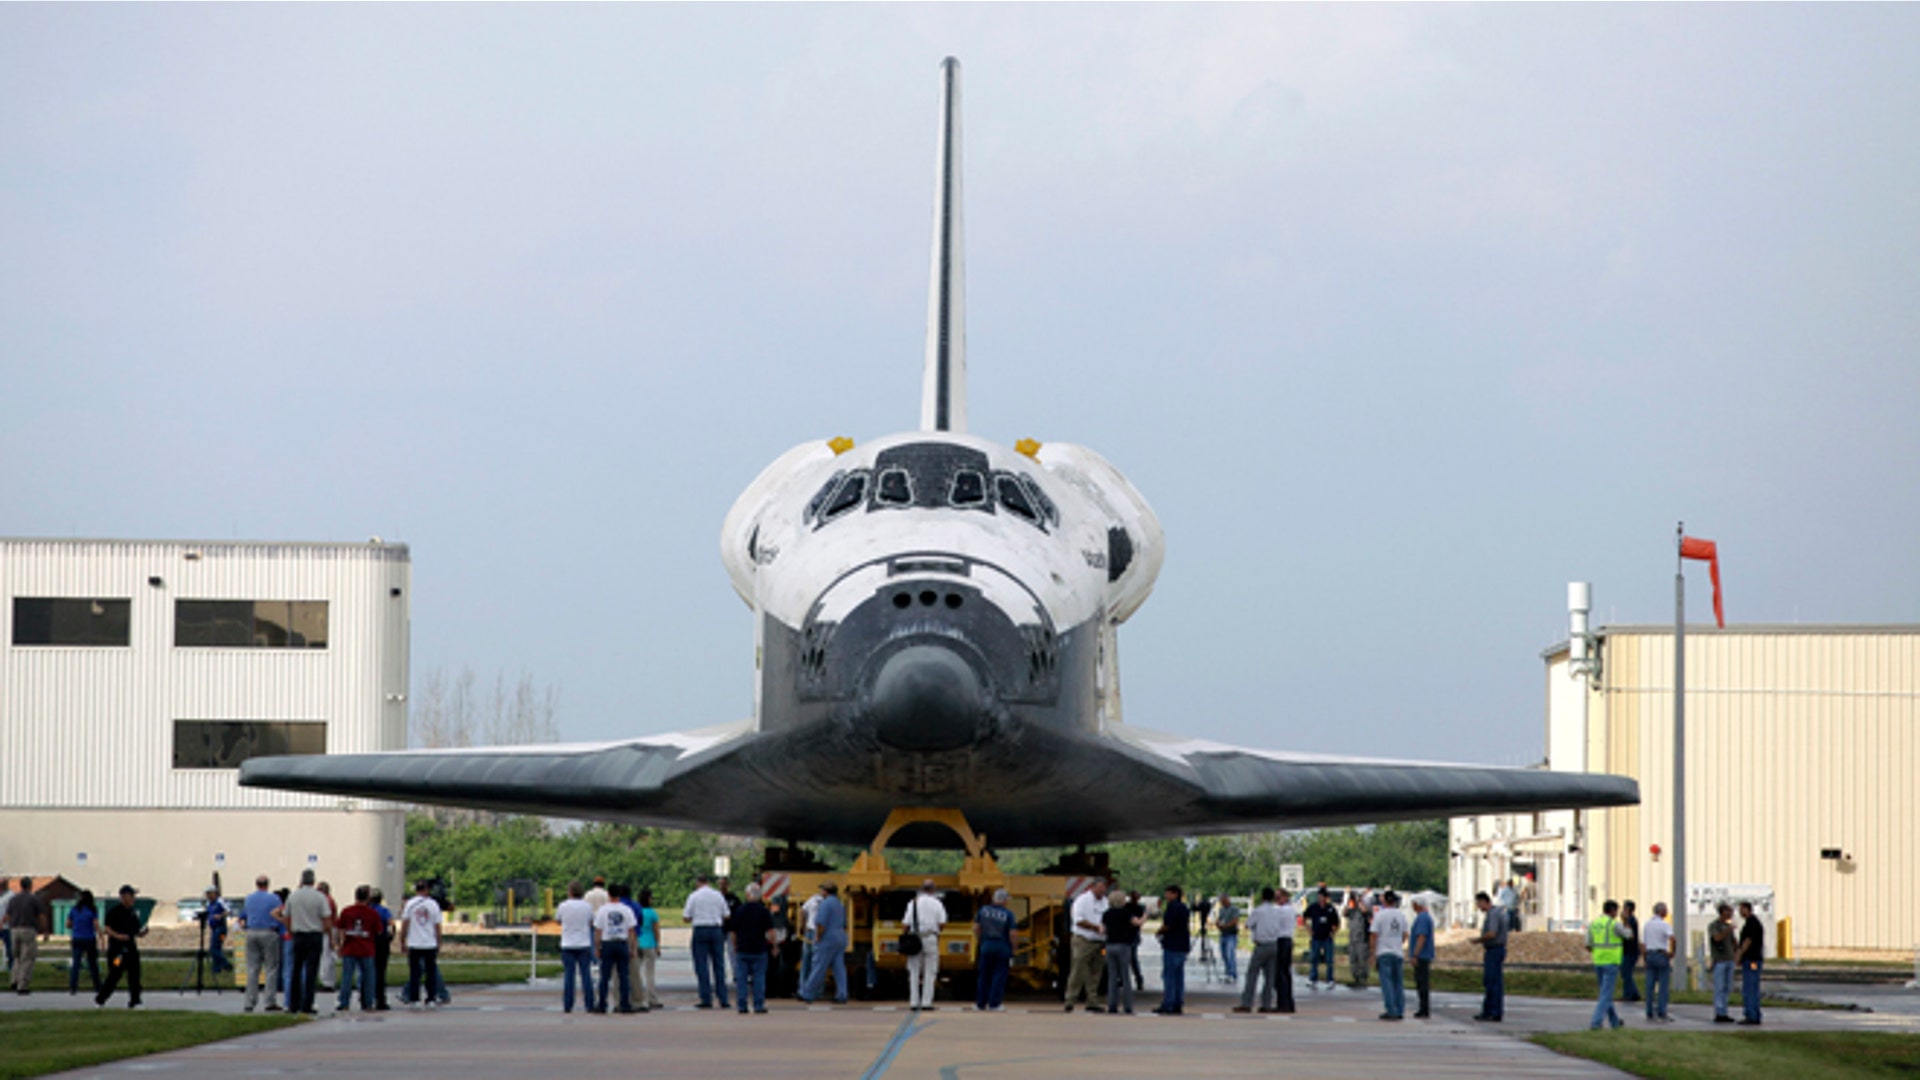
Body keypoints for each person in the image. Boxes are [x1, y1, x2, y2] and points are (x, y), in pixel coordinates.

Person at [284, 869, 332, 1015]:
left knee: (296, 970)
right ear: (313, 880)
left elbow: (286, 916)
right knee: (311, 972)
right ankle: (307, 1004)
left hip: (298, 935)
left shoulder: (293, 896)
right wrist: (326, 932)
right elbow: (326, 918)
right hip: (314, 935)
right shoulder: (320, 897)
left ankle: (293, 1004)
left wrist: (291, 931)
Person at [1233, 887, 1287, 1014]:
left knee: (1252, 974)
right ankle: (1266, 1004)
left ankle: (1247, 1002)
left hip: (1261, 945)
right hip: (1274, 944)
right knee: (1269, 977)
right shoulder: (1277, 911)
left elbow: (1248, 924)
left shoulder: (1258, 911)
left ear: (1262, 897)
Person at [94, 885, 147, 1008]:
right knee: (115, 974)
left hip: (131, 949)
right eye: (131, 896)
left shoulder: (133, 913)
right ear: (123, 897)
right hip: (117, 951)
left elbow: (136, 930)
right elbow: (107, 929)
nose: (133, 899)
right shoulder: (114, 912)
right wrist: (118, 936)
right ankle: (101, 999)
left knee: (134, 975)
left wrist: (142, 933)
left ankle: (135, 1001)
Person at [684, 874, 731, 1009]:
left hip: (700, 930)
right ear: (708, 882)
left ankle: (706, 998)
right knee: (719, 965)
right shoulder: (718, 895)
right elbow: (727, 915)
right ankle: (723, 998)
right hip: (716, 930)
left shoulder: (693, 896)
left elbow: (686, 917)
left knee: (701, 965)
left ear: (698, 883)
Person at [239, 875, 284, 1012]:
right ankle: (269, 1001)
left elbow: (243, 916)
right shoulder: (274, 899)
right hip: (269, 932)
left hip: (252, 932)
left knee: (252, 969)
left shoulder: (249, 898)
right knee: (271, 967)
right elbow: (279, 915)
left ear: (256, 884)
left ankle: (249, 1002)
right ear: (267, 885)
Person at [333, 885, 382, 1012]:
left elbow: (340, 929)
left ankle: (344, 1003)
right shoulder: (372, 913)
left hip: (350, 947)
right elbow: (378, 931)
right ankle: (368, 1002)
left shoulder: (346, 911)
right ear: (368, 898)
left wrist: (339, 945)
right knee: (368, 977)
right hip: (367, 948)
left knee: (347, 977)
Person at [798, 882, 848, 1004]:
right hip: (840, 938)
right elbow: (844, 922)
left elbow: (820, 923)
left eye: (822, 890)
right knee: (839, 968)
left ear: (826, 891)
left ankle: (807, 992)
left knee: (819, 966)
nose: (820, 892)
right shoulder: (839, 904)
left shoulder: (825, 904)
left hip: (827, 939)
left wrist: (818, 936)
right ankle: (842, 994)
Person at [730, 882, 776, 1014]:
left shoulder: (739, 910)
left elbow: (733, 932)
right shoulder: (764, 911)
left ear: (747, 894)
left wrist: (735, 946)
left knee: (741, 979)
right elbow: (771, 932)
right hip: (759, 949)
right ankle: (758, 1005)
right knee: (759, 979)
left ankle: (742, 1005)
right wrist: (774, 946)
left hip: (743, 949)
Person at [1063, 880, 1108, 1013]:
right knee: (1078, 970)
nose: (1102, 891)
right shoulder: (1082, 901)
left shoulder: (1105, 902)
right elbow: (1078, 920)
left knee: (1096, 972)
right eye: (1100, 888)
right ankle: (1070, 1000)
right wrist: (1095, 927)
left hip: (1099, 941)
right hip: (1083, 939)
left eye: (1104, 889)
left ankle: (1092, 1001)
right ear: (1093, 887)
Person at [904, 879, 948, 1011]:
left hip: (915, 938)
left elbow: (905, 924)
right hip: (930, 937)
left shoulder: (913, 903)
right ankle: (926, 1002)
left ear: (921, 889)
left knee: (914, 971)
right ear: (933, 890)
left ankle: (913, 1002)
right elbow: (942, 923)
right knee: (930, 971)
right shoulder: (937, 904)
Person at [594, 883, 637, 1014]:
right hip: (622, 943)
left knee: (605, 976)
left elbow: (598, 931)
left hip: (607, 943)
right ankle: (625, 1004)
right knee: (624, 976)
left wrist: (597, 947)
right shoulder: (626, 910)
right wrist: (633, 948)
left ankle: (602, 1003)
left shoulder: (602, 910)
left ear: (608, 894)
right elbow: (631, 931)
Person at [400, 879, 443, 1009]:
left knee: (414, 973)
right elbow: (437, 925)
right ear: (426, 890)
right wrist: (439, 941)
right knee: (431, 973)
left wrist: (402, 940)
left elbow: (405, 924)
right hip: (430, 943)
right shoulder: (433, 904)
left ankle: (415, 999)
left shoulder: (410, 904)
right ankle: (431, 998)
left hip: (414, 943)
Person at [555, 881, 597, 1014]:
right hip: (584, 943)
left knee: (569, 975)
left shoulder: (563, 906)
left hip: (567, 944)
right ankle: (589, 1003)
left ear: (570, 892)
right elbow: (591, 922)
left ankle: (568, 1004)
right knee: (586, 975)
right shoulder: (587, 906)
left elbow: (558, 920)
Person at [1100, 886, 1143, 1015]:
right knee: (1125, 977)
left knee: (1112, 977)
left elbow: (1102, 930)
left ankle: (1112, 1005)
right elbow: (1137, 923)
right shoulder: (1126, 913)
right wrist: (1145, 916)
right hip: (1123, 945)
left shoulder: (1106, 914)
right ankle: (1127, 1006)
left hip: (1110, 945)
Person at [1585, 899, 1626, 1031]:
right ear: (1613, 911)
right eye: (1617, 911)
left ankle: (1615, 1022)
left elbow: (1588, 944)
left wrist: (1597, 952)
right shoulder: (1614, 924)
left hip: (1598, 961)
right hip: (1611, 962)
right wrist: (1626, 921)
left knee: (1605, 993)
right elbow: (1628, 935)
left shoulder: (1594, 924)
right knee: (1605, 995)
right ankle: (1596, 1023)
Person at [974, 887, 1017, 1011]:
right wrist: (1014, 948)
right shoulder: (1008, 914)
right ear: (1004, 901)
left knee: (984, 975)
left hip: (986, 945)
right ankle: (994, 1003)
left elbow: (976, 927)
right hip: (1002, 946)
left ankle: (980, 1003)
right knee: (999, 975)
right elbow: (1012, 933)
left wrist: (980, 940)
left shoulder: (983, 910)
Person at [1371, 890, 1409, 1020]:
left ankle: (1391, 1009)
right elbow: (1405, 934)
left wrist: (1372, 953)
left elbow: (1374, 935)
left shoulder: (1380, 915)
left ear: (1385, 901)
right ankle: (1399, 1009)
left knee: (1387, 982)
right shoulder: (1401, 915)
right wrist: (1398, 943)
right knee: (1398, 982)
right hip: (1397, 952)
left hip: (1384, 951)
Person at [5, 876, 48, 993]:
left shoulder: (13, 899)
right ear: (30, 886)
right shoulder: (34, 899)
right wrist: (44, 931)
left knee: (17, 957)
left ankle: (14, 980)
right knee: (28, 958)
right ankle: (22, 985)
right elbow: (41, 916)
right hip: (28, 929)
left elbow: (7, 916)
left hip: (14, 930)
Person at [1153, 885, 1190, 1015]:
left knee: (1169, 975)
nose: (1166, 896)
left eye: (1168, 893)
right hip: (1182, 945)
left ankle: (1168, 1003)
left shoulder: (1173, 907)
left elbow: (1168, 924)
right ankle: (1177, 1002)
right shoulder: (1184, 907)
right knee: (1178, 976)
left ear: (1175, 894)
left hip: (1172, 944)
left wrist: (1158, 932)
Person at [1471, 891, 1508, 1022]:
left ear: (1484, 902)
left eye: (1478, 903)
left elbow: (1492, 933)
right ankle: (1492, 1010)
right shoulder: (1498, 912)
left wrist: (1479, 940)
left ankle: (1492, 1011)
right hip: (1497, 949)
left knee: (1492, 982)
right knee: (1494, 982)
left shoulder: (1493, 915)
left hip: (1494, 949)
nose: (1478, 907)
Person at [1641, 901, 1675, 1023]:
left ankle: (1649, 1012)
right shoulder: (1664, 925)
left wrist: (1645, 957)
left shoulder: (1647, 925)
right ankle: (1662, 1012)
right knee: (1663, 986)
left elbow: (1643, 944)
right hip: (1661, 954)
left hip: (1650, 955)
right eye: (1665, 910)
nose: (1667, 912)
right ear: (1661, 912)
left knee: (1649, 985)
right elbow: (1672, 938)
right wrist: (1672, 953)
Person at [1303, 887, 1339, 988]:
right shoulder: (1313, 907)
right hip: (1316, 937)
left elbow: (1336, 922)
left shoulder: (1330, 909)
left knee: (1329, 960)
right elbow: (1304, 917)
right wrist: (1309, 929)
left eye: (1323, 897)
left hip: (1327, 937)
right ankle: (1313, 978)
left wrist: (1333, 932)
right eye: (1319, 897)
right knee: (1314, 958)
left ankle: (1330, 979)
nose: (1321, 899)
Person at [68, 890, 102, 996]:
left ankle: (73, 987)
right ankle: (98, 986)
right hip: (89, 938)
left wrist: (77, 926)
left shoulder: (74, 910)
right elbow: (96, 925)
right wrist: (101, 936)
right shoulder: (92, 910)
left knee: (76, 964)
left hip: (77, 938)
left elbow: (68, 924)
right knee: (93, 964)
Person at [1708, 902, 1738, 1023]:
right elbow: (1717, 938)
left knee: (1727, 987)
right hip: (1719, 960)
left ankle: (1724, 1011)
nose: (1730, 915)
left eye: (1731, 913)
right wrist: (1728, 929)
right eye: (1727, 912)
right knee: (1719, 987)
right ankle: (1719, 1012)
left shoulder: (1728, 927)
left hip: (1729, 959)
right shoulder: (1714, 925)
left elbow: (1733, 943)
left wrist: (1737, 952)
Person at [1736, 901, 1765, 1026]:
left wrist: (1739, 954)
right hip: (1753, 959)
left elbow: (1748, 940)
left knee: (1750, 988)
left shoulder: (1752, 923)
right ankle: (1754, 1013)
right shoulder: (1752, 922)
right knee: (1752, 988)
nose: (1740, 912)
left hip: (1752, 960)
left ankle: (1751, 1014)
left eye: (1742, 909)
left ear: (1748, 909)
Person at [634, 887, 663, 1011]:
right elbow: (656, 931)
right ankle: (652, 999)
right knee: (649, 973)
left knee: (636, 973)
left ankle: (637, 997)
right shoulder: (652, 913)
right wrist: (657, 945)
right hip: (649, 944)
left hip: (637, 943)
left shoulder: (636, 911)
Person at [1271, 887, 1298, 1011]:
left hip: (1281, 940)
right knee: (1286, 973)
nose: (1276, 900)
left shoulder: (1282, 911)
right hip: (1287, 940)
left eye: (1278, 897)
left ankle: (1283, 1003)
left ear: (1285, 897)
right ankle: (1289, 1002)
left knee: (1279, 974)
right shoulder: (1291, 910)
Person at [1409, 897, 1435, 1019]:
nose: (1412, 906)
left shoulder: (1422, 918)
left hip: (1422, 955)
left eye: (1413, 904)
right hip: (1424, 954)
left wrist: (1415, 954)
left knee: (1422, 982)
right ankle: (1423, 1007)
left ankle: (1424, 1008)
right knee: (1421, 982)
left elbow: (1421, 937)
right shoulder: (1424, 917)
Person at [369, 888, 394, 1011]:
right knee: (380, 972)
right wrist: (390, 937)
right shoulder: (384, 911)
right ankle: (380, 1000)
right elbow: (391, 924)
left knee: (368, 971)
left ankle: (367, 998)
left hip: (368, 941)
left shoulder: (367, 910)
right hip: (381, 941)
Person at [798, 885, 823, 999]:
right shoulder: (828, 902)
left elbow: (802, 910)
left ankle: (803, 989)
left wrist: (801, 926)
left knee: (806, 961)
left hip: (809, 931)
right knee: (817, 963)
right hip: (820, 933)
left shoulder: (813, 899)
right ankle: (816, 990)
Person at [316, 881, 340, 992]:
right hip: (329, 929)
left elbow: (327, 918)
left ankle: (327, 982)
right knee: (327, 957)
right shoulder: (329, 900)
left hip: (327, 930)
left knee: (326, 957)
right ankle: (328, 981)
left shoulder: (326, 901)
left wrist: (330, 936)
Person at [1344, 893, 1372, 989]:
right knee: (1353, 959)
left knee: (1362, 960)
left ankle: (1363, 979)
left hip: (1362, 939)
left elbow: (1366, 912)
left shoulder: (1364, 911)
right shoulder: (1352, 911)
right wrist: (1349, 902)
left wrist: (1359, 901)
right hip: (1353, 939)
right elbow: (1344, 913)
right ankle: (1355, 978)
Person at [1617, 900, 1642, 1003]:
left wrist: (1625, 920)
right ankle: (1631, 993)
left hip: (1630, 951)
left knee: (1626, 974)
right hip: (1628, 951)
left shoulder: (1631, 920)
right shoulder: (1630, 920)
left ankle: (1631, 994)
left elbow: (1629, 934)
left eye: (1624, 908)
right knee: (1626, 973)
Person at [1213, 894, 1241, 984]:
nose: (1222, 903)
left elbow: (1235, 920)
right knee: (1224, 954)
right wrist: (1218, 924)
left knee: (1230, 954)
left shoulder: (1234, 909)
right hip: (1223, 934)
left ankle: (1233, 974)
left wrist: (1226, 926)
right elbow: (1220, 919)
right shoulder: (1221, 910)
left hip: (1231, 934)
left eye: (1224, 901)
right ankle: (1227, 972)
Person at [204, 887, 231, 977]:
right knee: (216, 947)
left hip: (221, 928)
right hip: (214, 928)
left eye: (210, 894)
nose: (208, 896)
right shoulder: (209, 904)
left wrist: (220, 915)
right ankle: (217, 968)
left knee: (214, 948)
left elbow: (228, 911)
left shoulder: (220, 901)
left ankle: (226, 964)